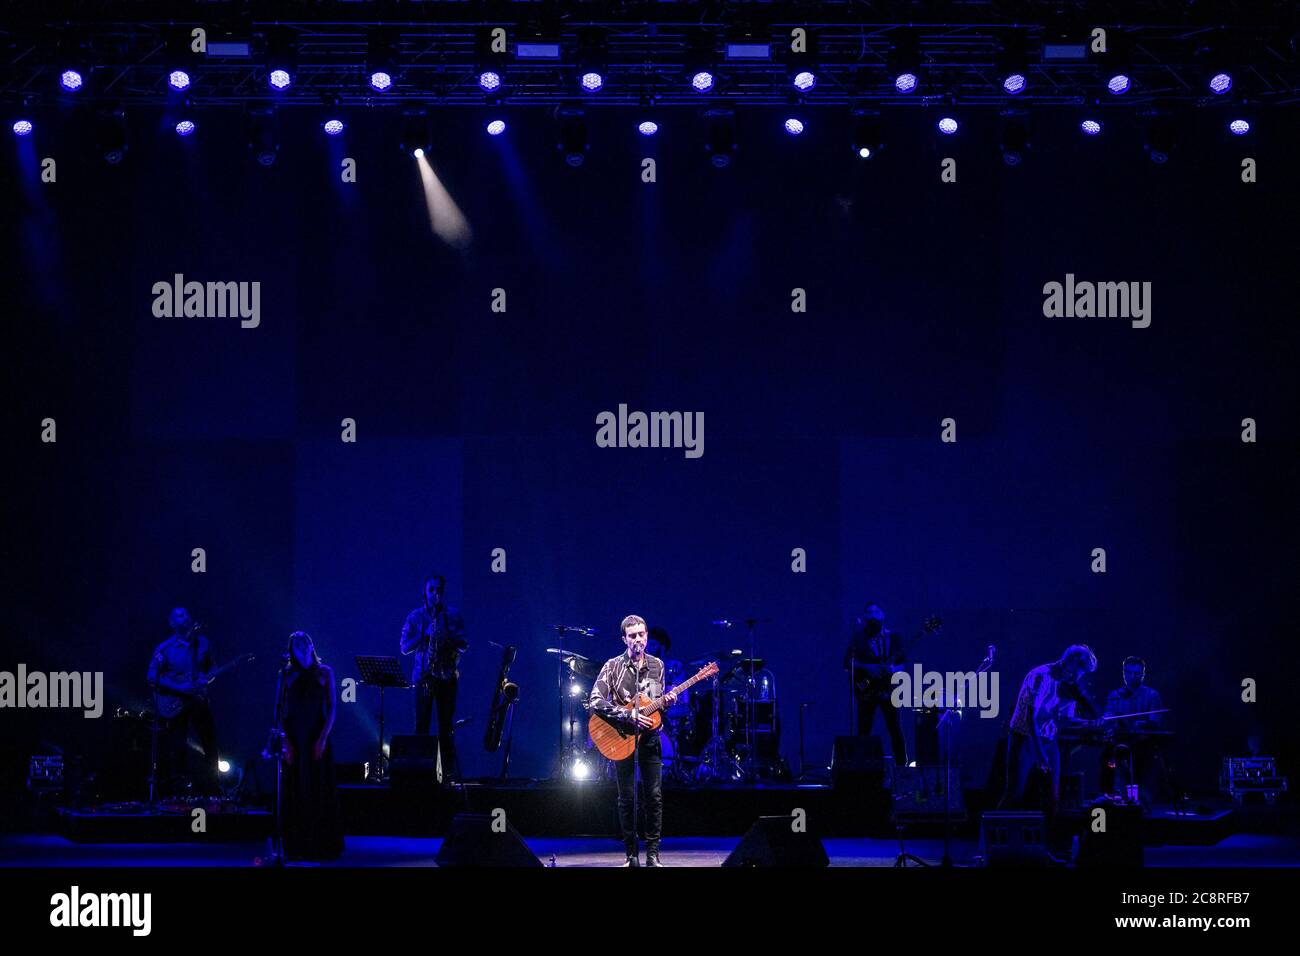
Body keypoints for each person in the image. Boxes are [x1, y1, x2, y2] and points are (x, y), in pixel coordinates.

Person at [588, 614, 677, 867]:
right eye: (633, 635)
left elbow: (653, 706)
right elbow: (595, 700)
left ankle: (653, 855)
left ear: (647, 636)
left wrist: (666, 703)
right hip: (621, 737)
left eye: (642, 634)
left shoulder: (657, 665)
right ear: (624, 639)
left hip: (649, 739)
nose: (638, 639)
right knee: (626, 798)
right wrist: (628, 714)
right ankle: (630, 856)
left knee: (654, 796)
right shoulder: (613, 666)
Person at [1003, 644, 1099, 818]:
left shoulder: (1067, 685)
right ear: (1071, 662)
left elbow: (1066, 718)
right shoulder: (1041, 676)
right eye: (1081, 670)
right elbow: (1030, 718)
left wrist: (1090, 723)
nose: (1081, 676)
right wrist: (1040, 754)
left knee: (1052, 797)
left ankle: (1050, 841)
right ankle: (992, 839)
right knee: (1014, 794)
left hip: (1047, 738)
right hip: (1024, 737)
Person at [279, 631, 343, 861]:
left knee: (317, 786)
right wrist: (285, 741)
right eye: (296, 643)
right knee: (296, 786)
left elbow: (332, 708)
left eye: (305, 641)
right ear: (292, 649)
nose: (302, 645)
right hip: (295, 735)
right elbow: (280, 710)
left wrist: (323, 738)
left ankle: (320, 843)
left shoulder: (325, 672)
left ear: (311, 645)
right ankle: (297, 844)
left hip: (316, 734)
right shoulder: (286, 674)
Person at [399, 574, 467, 782]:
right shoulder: (415, 616)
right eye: (431, 589)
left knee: (446, 727)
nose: (435, 593)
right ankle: (421, 775)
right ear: (425, 592)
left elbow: (464, 645)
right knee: (421, 727)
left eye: (439, 589)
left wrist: (447, 637)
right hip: (424, 677)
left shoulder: (452, 615)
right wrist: (425, 634)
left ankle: (447, 774)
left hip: (446, 676)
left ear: (443, 592)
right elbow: (404, 647)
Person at [147, 607, 220, 794]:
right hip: (176, 704)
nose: (185, 617)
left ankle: (213, 788)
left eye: (187, 614)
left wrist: (208, 677)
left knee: (209, 743)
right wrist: (179, 688)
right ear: (172, 623)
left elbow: (212, 668)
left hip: (199, 700)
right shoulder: (165, 648)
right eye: (179, 615)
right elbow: (152, 676)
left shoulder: (203, 643)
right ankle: (177, 791)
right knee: (178, 746)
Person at [843, 602, 907, 766]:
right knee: (864, 730)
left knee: (895, 729)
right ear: (864, 617)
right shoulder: (858, 639)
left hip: (888, 688)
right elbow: (847, 663)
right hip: (866, 689)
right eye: (869, 612)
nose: (873, 615)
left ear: (883, 615)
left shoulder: (894, 637)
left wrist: (893, 668)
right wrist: (868, 667)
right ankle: (861, 767)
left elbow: (903, 664)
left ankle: (902, 769)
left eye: (876, 611)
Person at [1101, 656, 1166, 799]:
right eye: (1129, 673)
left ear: (1143, 674)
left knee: (1139, 763)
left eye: (1136, 673)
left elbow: (1157, 722)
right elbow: (1108, 717)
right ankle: (1112, 794)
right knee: (1107, 753)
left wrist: (1143, 723)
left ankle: (1140, 800)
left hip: (1143, 743)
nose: (1132, 677)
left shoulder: (1152, 695)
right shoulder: (1115, 695)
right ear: (1124, 673)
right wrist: (1108, 721)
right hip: (1120, 742)